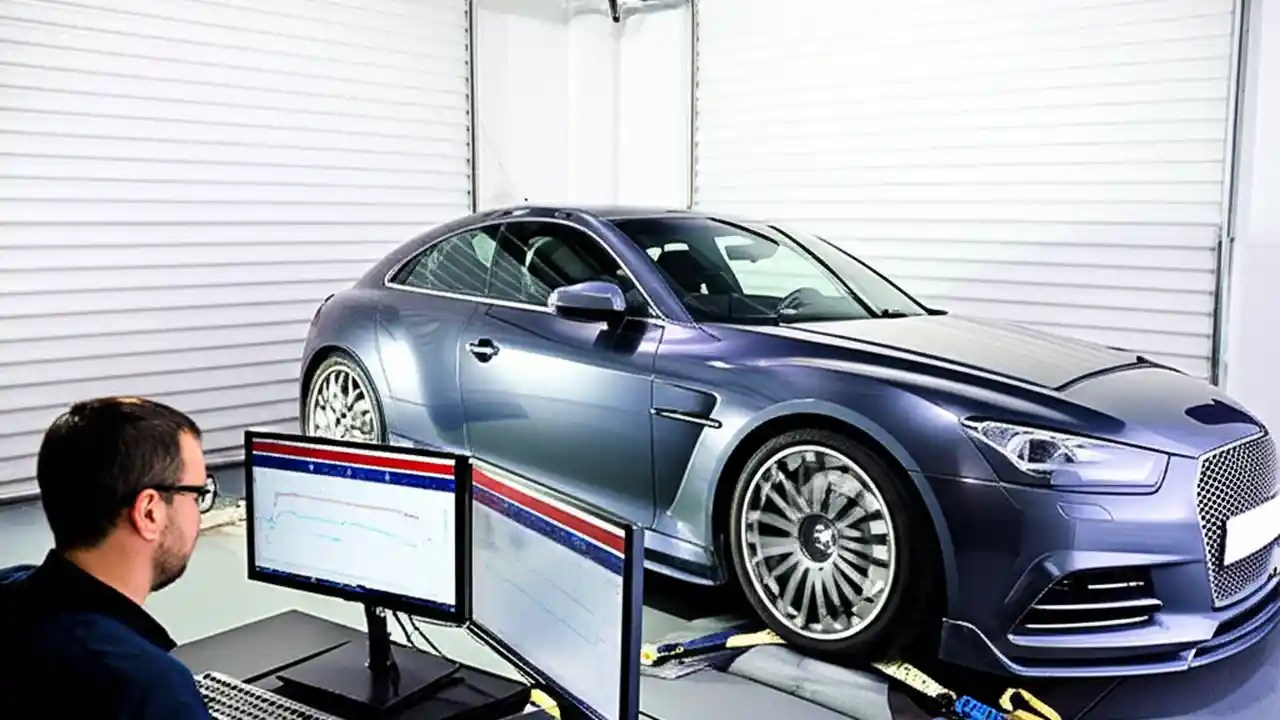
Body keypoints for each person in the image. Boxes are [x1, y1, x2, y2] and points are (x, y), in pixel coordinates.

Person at [0, 397, 214, 718]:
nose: (198, 512)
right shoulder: (147, 687)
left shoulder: (8, 591)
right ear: (149, 512)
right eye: (197, 494)